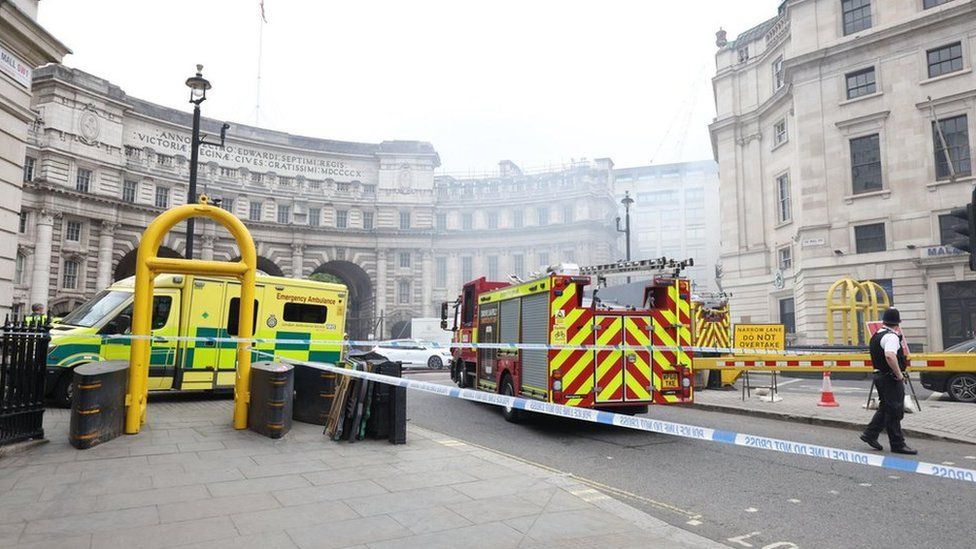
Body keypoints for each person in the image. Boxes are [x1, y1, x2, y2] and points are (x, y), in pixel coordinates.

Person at [860, 308, 917, 455]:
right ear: (897, 323)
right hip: (889, 377)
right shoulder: (891, 337)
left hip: (879, 376)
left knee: (886, 407)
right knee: (895, 410)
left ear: (884, 321)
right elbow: (890, 356)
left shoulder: (877, 335)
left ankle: (870, 434)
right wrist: (899, 375)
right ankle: (898, 444)